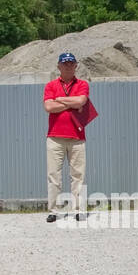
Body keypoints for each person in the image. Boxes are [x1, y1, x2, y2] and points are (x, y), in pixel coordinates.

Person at [43, 53, 92, 222]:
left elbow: (81, 101)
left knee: (78, 175)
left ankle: (78, 209)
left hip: (77, 137)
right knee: (53, 175)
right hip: (55, 137)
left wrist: (61, 100)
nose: (68, 66)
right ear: (59, 66)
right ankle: (54, 211)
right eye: (65, 64)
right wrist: (71, 103)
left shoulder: (82, 84)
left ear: (76, 66)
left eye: (71, 63)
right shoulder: (51, 85)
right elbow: (49, 106)